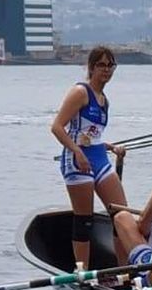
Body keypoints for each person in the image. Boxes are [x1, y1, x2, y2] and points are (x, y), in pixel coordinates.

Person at [50, 46, 128, 269]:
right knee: (84, 220)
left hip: (99, 158)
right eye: (101, 65)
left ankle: (125, 270)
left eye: (110, 65)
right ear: (91, 68)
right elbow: (57, 127)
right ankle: (82, 270)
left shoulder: (104, 100)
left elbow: (92, 135)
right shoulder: (80, 92)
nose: (106, 70)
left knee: (121, 215)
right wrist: (77, 152)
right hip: (77, 162)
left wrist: (110, 147)